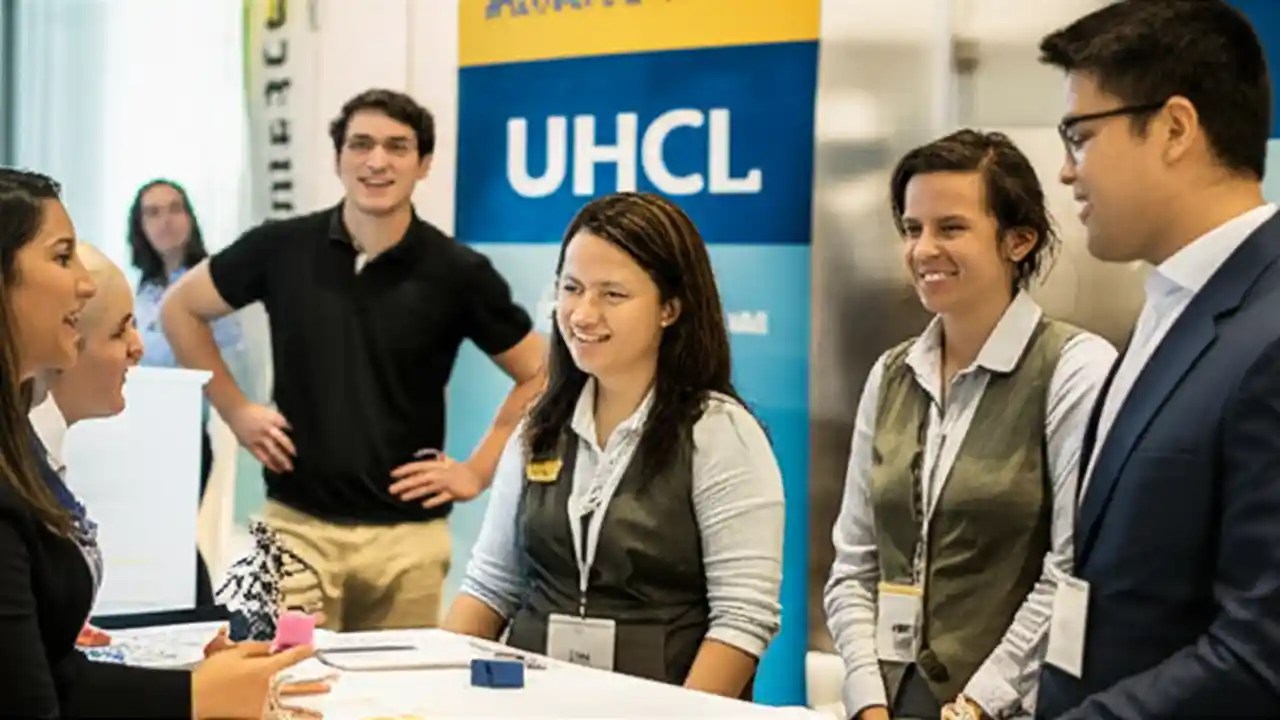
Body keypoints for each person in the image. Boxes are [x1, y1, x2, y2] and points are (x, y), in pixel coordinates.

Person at [161, 88, 546, 632]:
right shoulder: (281, 247)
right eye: (361, 144)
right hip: (295, 528)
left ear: (424, 164)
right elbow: (181, 309)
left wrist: (477, 471)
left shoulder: (458, 271)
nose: (377, 160)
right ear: (339, 157)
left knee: (396, 710)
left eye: (397, 146)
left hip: (408, 544)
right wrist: (235, 410)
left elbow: (542, 372)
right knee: (289, 697)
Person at [1034, 2, 1280, 718]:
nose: (1065, 170)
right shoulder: (1175, 301)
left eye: (1080, 137)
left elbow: (1260, 651)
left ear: (1174, 128)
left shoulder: (1267, 333)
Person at [443, 191, 785, 700]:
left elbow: (742, 618)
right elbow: (491, 588)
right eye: (571, 288)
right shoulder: (539, 427)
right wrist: (433, 693)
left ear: (670, 308)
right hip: (537, 705)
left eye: (612, 295)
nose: (582, 313)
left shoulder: (718, 432)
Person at [824, 130, 1116, 720]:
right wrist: (866, 700)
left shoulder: (1075, 369)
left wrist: (980, 703)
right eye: (912, 229)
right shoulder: (891, 374)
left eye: (950, 228)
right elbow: (854, 563)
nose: (923, 248)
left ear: (1018, 239)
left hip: (1014, 707)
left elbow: (1071, 569)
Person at [0, 167, 313, 718]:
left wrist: (200, 693)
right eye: (62, 255)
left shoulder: (21, 450)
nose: (84, 283)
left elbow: (53, 674)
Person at [129, 178, 241, 606]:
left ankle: (201, 613)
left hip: (187, 432)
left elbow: (228, 355)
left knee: (176, 534)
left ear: (190, 217)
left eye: (174, 208)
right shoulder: (141, 288)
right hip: (140, 433)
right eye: (152, 213)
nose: (165, 221)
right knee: (149, 536)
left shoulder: (210, 284)